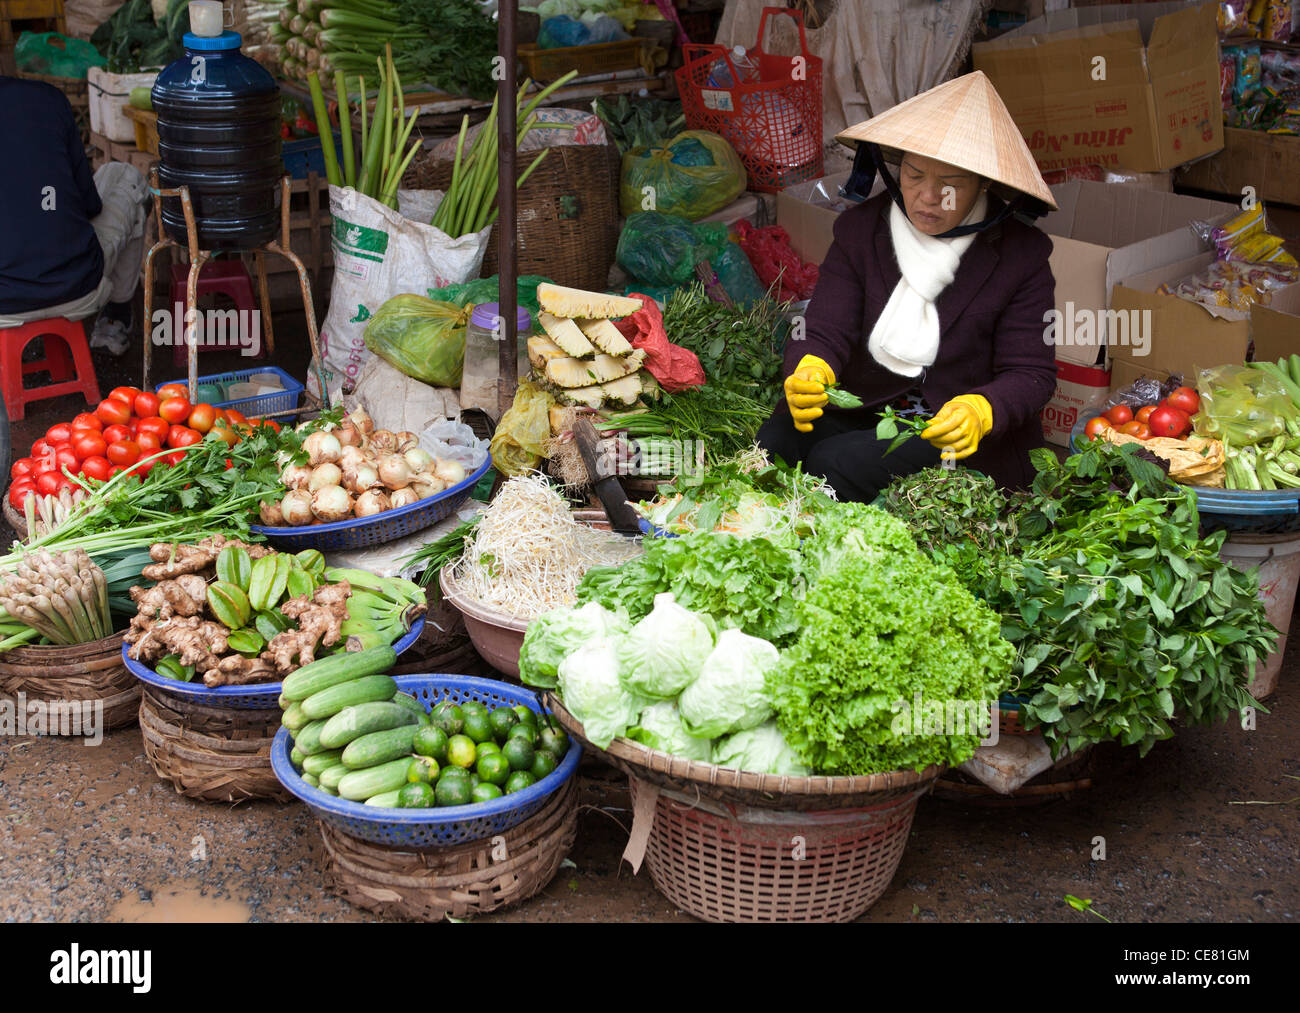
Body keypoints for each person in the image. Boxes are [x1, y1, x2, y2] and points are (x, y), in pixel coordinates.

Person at [757, 71, 1059, 501]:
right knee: (781, 436)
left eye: (950, 184)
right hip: (872, 405)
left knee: (835, 464)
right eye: (914, 175)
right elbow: (824, 329)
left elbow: (1030, 373)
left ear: (984, 183)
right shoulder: (862, 232)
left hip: (953, 432)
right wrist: (810, 367)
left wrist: (983, 409)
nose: (927, 196)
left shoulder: (1021, 257)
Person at [0, 73, 149, 354]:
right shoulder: (46, 98)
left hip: (5, 308)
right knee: (123, 175)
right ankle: (113, 323)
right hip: (75, 290)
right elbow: (90, 205)